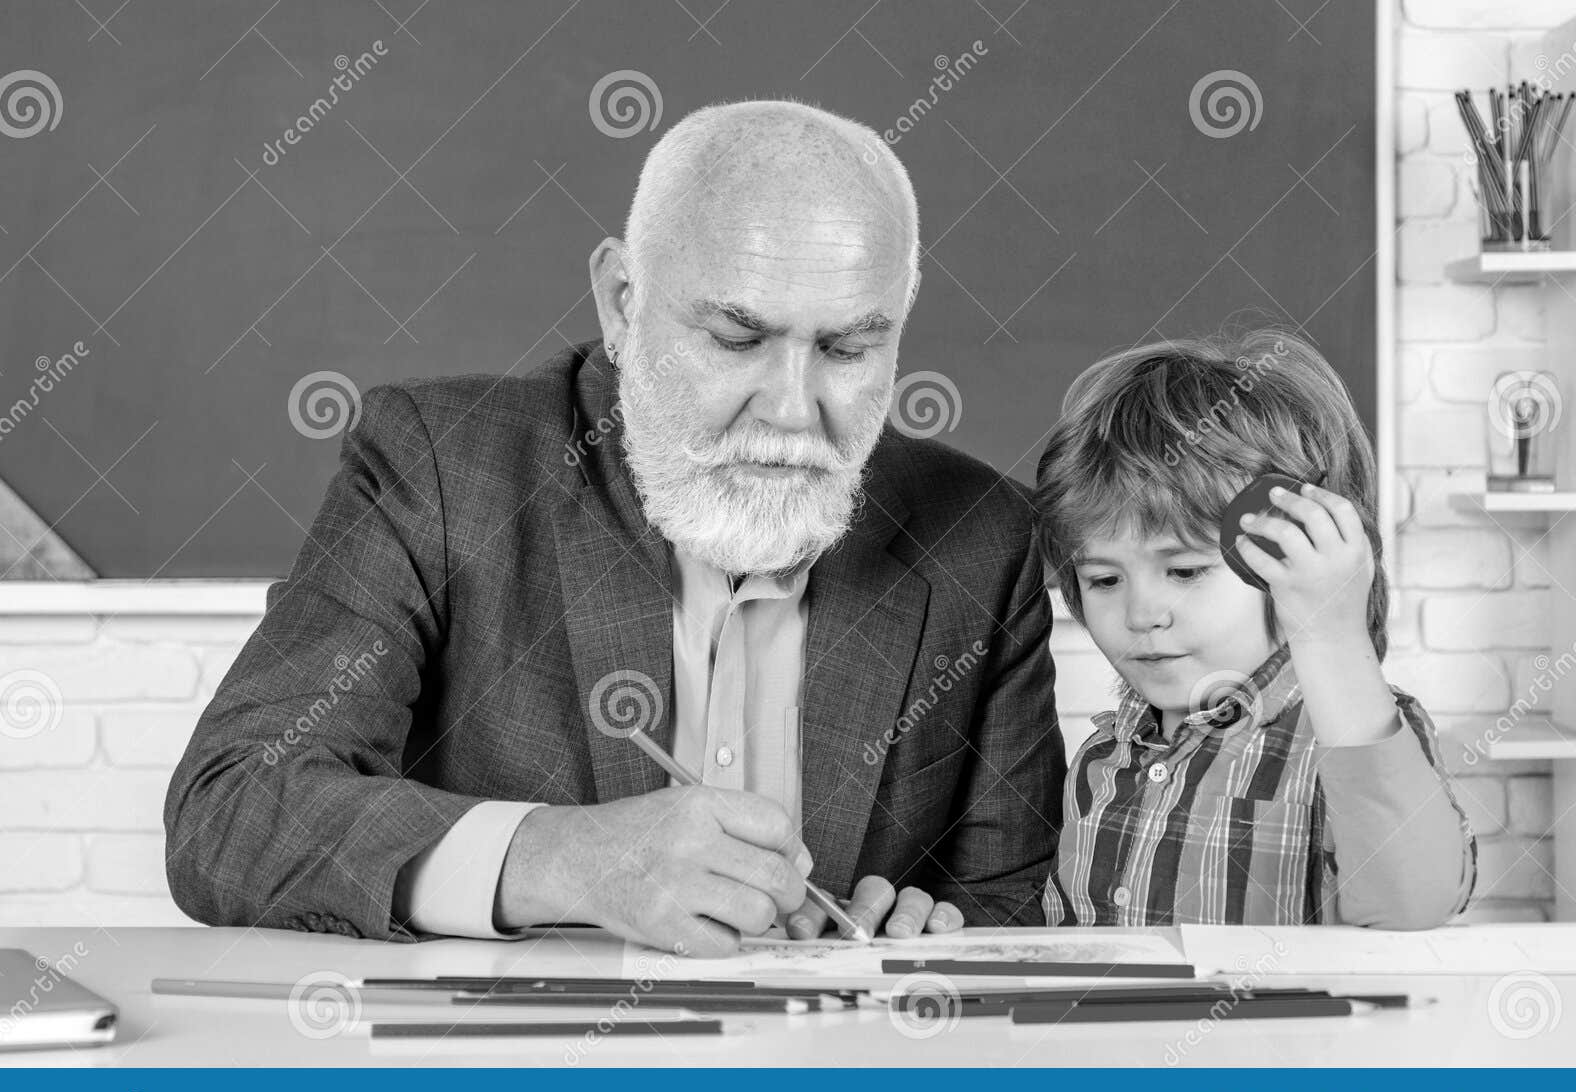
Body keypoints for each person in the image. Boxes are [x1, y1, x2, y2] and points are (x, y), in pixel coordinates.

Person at [163, 99, 1067, 954]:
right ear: (622, 301)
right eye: (736, 339)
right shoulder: (440, 467)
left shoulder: (982, 536)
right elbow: (232, 808)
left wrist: (926, 934)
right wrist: (566, 861)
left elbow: (1012, 899)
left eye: (847, 350)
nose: (794, 412)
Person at [1030, 329, 1476, 928]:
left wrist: (1331, 634)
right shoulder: (1101, 760)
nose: (1141, 615)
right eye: (1104, 580)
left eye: (1185, 570)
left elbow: (1414, 905)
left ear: (1284, 557)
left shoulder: (1350, 740)